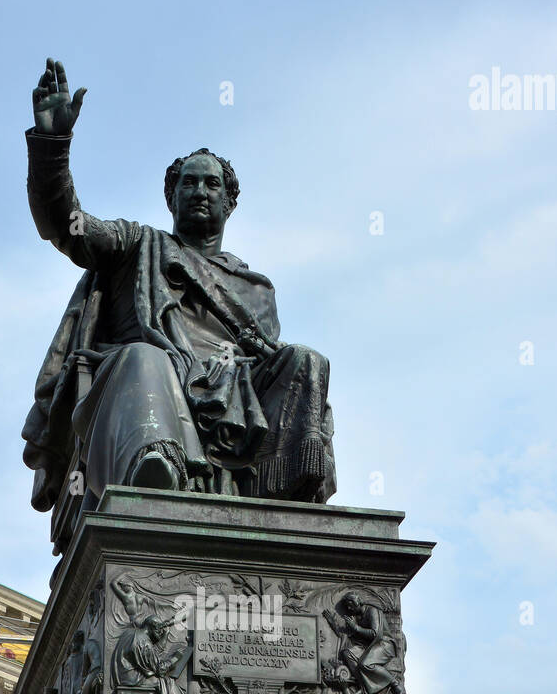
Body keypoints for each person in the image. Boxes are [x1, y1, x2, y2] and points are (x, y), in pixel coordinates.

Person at [22, 59, 336, 512]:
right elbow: (64, 224)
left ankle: (287, 492)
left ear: (230, 204)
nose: (200, 191)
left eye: (212, 184)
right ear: (171, 198)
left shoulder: (257, 289)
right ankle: (156, 461)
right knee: (144, 355)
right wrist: (53, 147)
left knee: (307, 360)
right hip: (154, 375)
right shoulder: (137, 244)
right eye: (189, 183)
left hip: (232, 392)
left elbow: (269, 362)